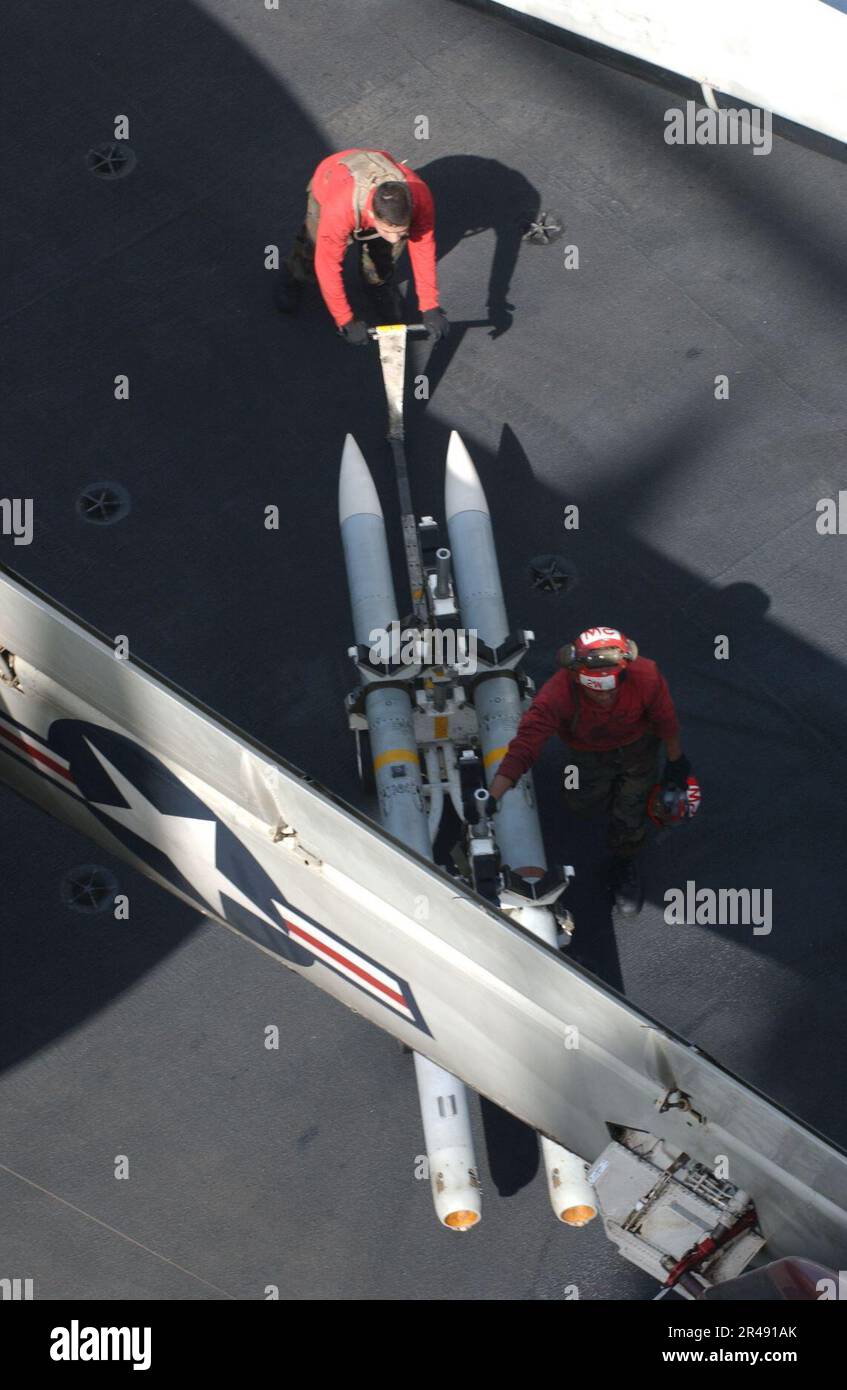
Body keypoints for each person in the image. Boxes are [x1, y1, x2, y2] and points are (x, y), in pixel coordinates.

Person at [487, 626, 698, 915]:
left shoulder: (646, 675)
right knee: (580, 801)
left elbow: (665, 719)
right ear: (576, 677)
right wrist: (493, 795)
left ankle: (625, 861)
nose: (605, 698)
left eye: (612, 688)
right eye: (594, 691)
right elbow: (526, 744)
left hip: (639, 751)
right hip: (586, 756)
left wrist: (676, 762)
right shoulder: (557, 694)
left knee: (631, 813)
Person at [275, 148, 450, 345]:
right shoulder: (339, 211)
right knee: (312, 250)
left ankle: (377, 284)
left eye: (401, 232)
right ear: (373, 215)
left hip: (366, 196)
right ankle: (294, 275)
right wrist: (345, 320)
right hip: (331, 181)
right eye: (389, 231)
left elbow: (423, 248)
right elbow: (328, 267)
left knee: (384, 253)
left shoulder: (420, 197)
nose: (395, 239)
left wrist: (430, 306)